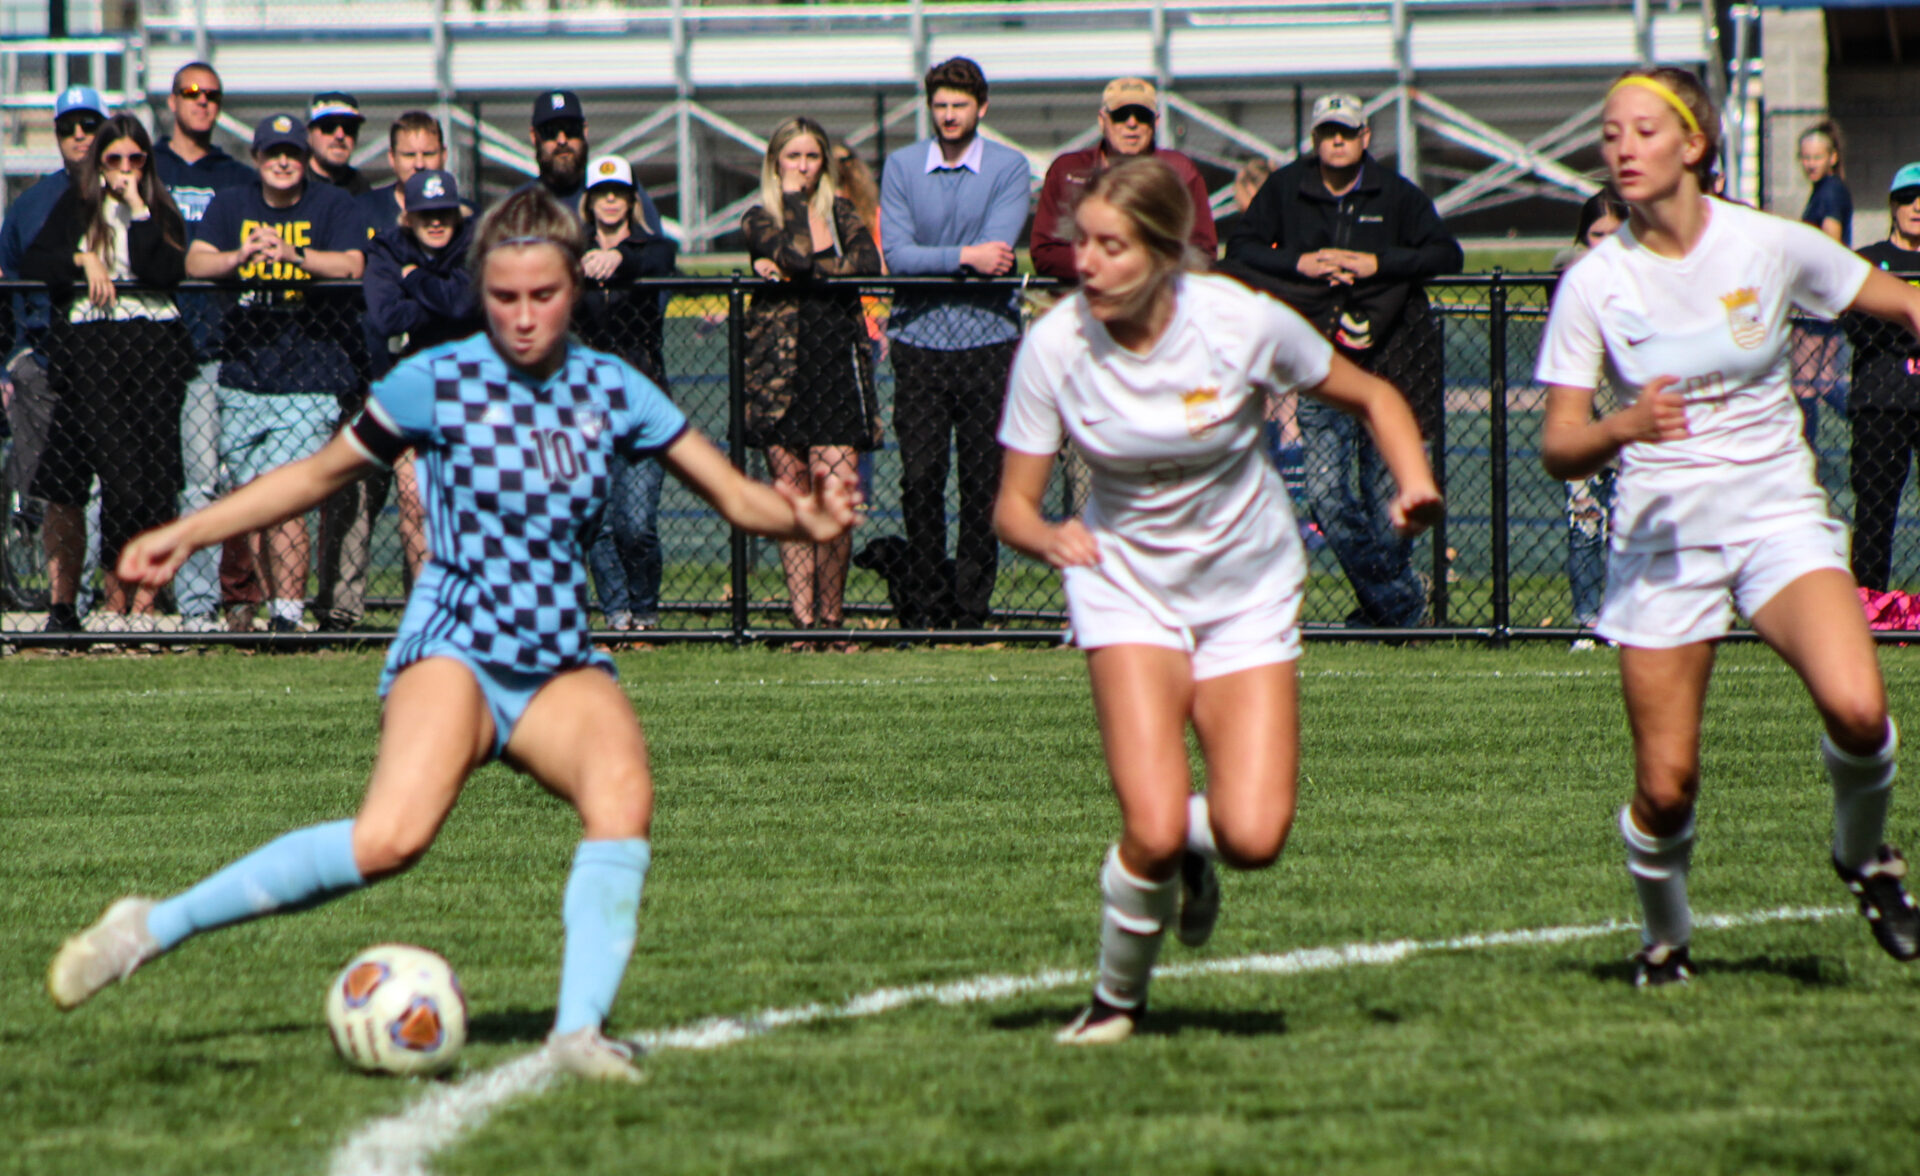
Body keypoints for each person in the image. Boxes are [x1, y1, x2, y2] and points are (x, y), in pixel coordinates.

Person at [44, 187, 860, 1083]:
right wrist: (187, 531)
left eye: (542, 296)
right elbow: (315, 477)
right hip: (456, 646)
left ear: (570, 291)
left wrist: (806, 518)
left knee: (622, 798)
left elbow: (737, 497)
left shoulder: (611, 387)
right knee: (388, 842)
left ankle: (578, 1034)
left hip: (556, 660)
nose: (521, 316)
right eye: (503, 297)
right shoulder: (434, 381)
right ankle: (148, 929)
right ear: (482, 290)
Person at [994, 158, 1442, 1043]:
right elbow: (1012, 506)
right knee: (1150, 827)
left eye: (1110, 245)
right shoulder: (1055, 345)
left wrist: (1415, 484)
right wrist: (1049, 538)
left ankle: (1199, 858)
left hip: (1245, 591)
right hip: (1127, 590)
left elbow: (1373, 395)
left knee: (1255, 833)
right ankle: (1115, 1003)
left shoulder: (1235, 322)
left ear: (1165, 254)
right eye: (1081, 242)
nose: (1086, 262)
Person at [1536, 66, 1920, 987]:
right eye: (1610, 131)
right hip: (1662, 538)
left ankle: (1864, 858)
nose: (1621, 147)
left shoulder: (1764, 245)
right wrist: (1621, 426)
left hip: (1776, 516)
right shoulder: (1597, 281)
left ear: (1694, 145)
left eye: (1643, 130)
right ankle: (1665, 941)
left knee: (1861, 710)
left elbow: (1900, 298)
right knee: (1666, 789)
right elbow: (1557, 446)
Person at [1223, 91, 1463, 629]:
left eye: (1347, 132)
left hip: (1394, 363)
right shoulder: (1286, 188)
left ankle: (1391, 614)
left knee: (1388, 506)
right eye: (1328, 131)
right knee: (1328, 497)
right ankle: (1402, 605)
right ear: (1314, 138)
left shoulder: (1397, 194)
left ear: (1366, 137)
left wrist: (1375, 262)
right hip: (1321, 363)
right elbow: (1240, 252)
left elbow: (1446, 253)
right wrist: (1300, 263)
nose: (1337, 140)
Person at [187, 113, 369, 633]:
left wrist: (295, 255)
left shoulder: (331, 204)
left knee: (288, 498)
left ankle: (288, 617)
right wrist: (239, 256)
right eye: (273, 153)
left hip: (310, 373)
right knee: (256, 503)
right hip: (245, 374)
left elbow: (352, 265)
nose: (283, 162)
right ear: (258, 159)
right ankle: (274, 609)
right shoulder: (233, 205)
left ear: (304, 157)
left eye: (291, 153)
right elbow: (197, 263)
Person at [19, 114, 195, 631]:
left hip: (155, 348)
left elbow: (163, 271)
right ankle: (106, 602)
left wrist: (138, 207)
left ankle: (143, 608)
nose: (123, 170)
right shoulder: (76, 207)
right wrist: (83, 258)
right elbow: (35, 261)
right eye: (113, 160)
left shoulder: (159, 210)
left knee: (155, 480)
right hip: (93, 348)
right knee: (118, 478)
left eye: (134, 159)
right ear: (98, 163)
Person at [880, 56, 1032, 629]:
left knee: (981, 481)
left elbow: (1003, 247)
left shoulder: (1010, 167)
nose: (948, 115)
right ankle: (923, 605)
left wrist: (942, 261)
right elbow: (899, 257)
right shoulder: (899, 167)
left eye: (959, 105)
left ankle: (969, 607)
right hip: (917, 345)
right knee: (920, 478)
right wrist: (966, 257)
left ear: (981, 108)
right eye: (940, 105)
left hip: (989, 343)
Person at [742, 117, 882, 647]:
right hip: (781, 374)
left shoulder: (841, 211)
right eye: (793, 157)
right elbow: (798, 254)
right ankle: (803, 623)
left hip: (835, 363)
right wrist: (796, 213)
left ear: (825, 163)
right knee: (794, 498)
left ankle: (832, 619)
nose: (802, 167)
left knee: (836, 498)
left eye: (811, 158)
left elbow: (865, 264)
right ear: (776, 162)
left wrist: (803, 272)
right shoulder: (759, 217)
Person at [152, 61, 264, 633]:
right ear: (171, 100)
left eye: (212, 94)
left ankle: (202, 606)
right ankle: (124, 599)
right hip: (150, 343)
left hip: (217, 342)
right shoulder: (145, 164)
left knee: (211, 479)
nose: (202, 102)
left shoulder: (237, 176)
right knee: (136, 476)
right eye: (191, 92)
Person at [0, 86, 106, 622]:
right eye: (70, 127)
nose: (80, 136)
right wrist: (12, 360)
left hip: (114, 356)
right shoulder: (32, 205)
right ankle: (64, 601)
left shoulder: (126, 193)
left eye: (90, 125)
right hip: (45, 358)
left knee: (121, 484)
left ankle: (109, 598)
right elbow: (9, 284)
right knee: (55, 485)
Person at [361, 167, 484, 587]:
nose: (436, 222)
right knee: (414, 500)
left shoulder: (475, 244)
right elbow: (386, 317)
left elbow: (467, 304)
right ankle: (429, 610)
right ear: (408, 216)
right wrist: (442, 297)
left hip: (474, 388)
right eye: (425, 213)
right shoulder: (388, 250)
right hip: (413, 386)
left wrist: (414, 280)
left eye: (445, 213)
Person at [575, 155, 678, 631]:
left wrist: (620, 260)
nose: (610, 200)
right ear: (589, 200)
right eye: (602, 192)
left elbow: (661, 257)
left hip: (642, 400)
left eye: (619, 192)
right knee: (599, 522)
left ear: (633, 199)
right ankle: (618, 616)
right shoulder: (570, 251)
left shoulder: (649, 247)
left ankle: (646, 611)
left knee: (636, 523)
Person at [1029, 78, 1216, 283]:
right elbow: (1044, 252)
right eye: (1121, 115)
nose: (1132, 123)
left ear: (1156, 122)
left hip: (1158, 296)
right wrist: (1108, 264)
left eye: (1142, 116)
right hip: (1080, 294)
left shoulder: (1178, 171)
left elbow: (1203, 252)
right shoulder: (1068, 170)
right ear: (1102, 120)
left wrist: (1136, 268)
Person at [1554, 187, 1630, 636]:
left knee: (1627, 519)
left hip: (1626, 421)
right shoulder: (1576, 278)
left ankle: (1625, 619)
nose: (1606, 243)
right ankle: (1587, 619)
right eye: (1596, 234)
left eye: (1615, 233)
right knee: (1585, 519)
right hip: (1583, 420)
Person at [1844, 164, 1920, 592]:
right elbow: (1858, 326)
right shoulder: (1869, 261)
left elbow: (1881, 326)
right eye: (1908, 197)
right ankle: (1870, 605)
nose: (1917, 206)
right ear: (1893, 205)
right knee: (1875, 509)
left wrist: (1891, 324)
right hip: (1881, 400)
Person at [1793, 120, 1853, 457]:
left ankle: (1808, 456)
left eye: (1816, 156)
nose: (1810, 163)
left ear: (1832, 157)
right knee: (1824, 380)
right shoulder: (1825, 189)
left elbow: (1831, 240)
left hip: (1819, 298)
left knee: (1806, 382)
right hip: (1819, 297)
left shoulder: (1831, 190)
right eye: (1805, 157)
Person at [358, 110, 451, 237]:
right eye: (409, 155)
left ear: (444, 155)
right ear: (392, 157)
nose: (419, 164)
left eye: (428, 154)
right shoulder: (362, 210)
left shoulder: (465, 217)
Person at [307, 92, 370, 197]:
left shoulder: (363, 189)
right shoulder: (292, 186)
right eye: (329, 127)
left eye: (349, 128)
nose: (340, 135)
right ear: (308, 134)